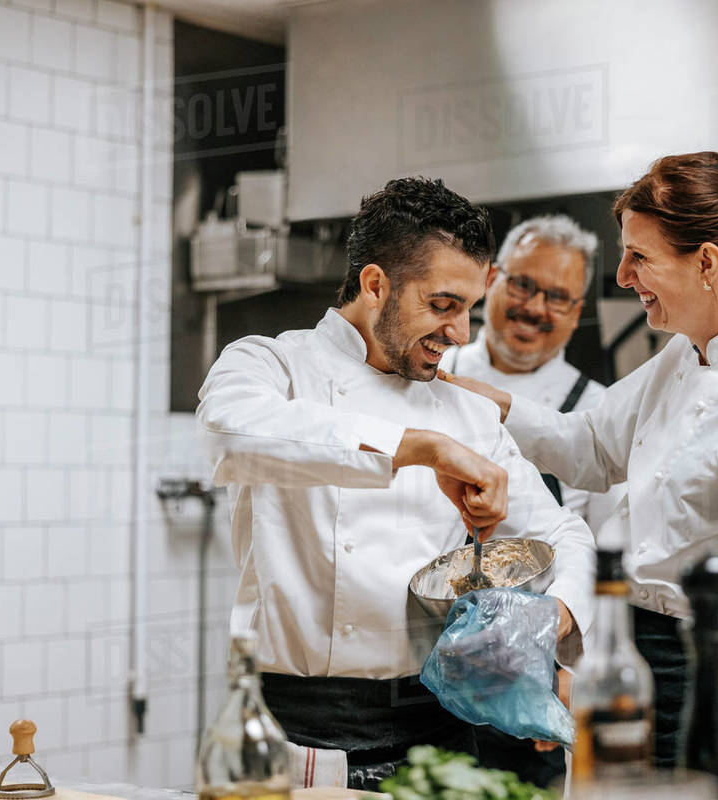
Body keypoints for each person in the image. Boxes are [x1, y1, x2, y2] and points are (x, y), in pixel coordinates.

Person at [441, 152, 718, 800]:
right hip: (628, 660)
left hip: (697, 682)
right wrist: (459, 396)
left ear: (707, 263)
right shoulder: (684, 357)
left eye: (640, 258)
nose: (624, 278)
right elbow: (589, 443)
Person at [196, 177, 596, 790]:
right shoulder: (271, 364)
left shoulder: (467, 413)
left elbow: (565, 534)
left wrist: (552, 620)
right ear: (376, 284)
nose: (460, 334)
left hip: (441, 737)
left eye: (469, 309)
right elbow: (232, 434)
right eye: (441, 306)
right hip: (300, 732)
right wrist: (420, 449)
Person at [439, 214, 626, 786]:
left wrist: (574, 672)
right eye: (522, 285)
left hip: (538, 675)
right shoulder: (431, 372)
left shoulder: (595, 411)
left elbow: (607, 553)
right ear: (491, 278)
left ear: (575, 314)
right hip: (432, 665)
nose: (535, 308)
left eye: (559, 298)